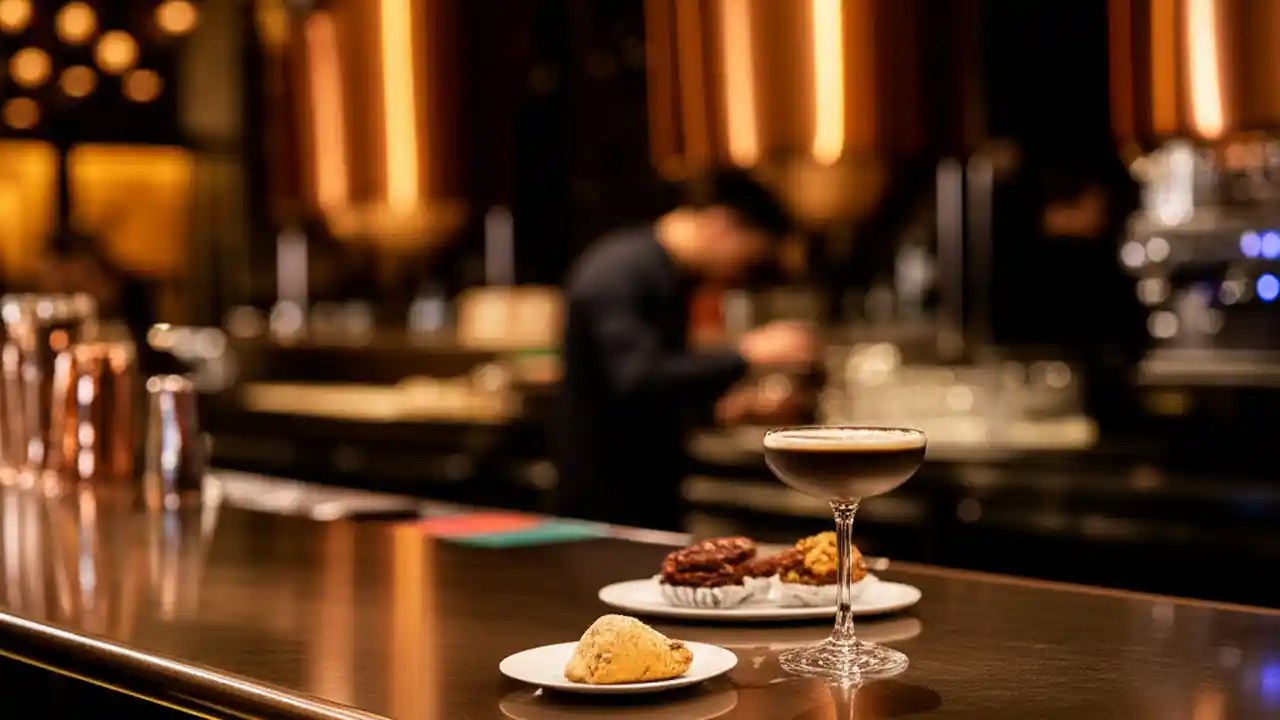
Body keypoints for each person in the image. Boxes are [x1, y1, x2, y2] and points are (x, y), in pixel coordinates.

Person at [556, 170, 814, 529]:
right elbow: (636, 379)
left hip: (648, 489)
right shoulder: (621, 270)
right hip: (606, 499)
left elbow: (659, 387)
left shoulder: (666, 273)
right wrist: (748, 353)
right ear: (722, 226)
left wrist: (722, 410)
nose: (738, 273)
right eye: (747, 259)